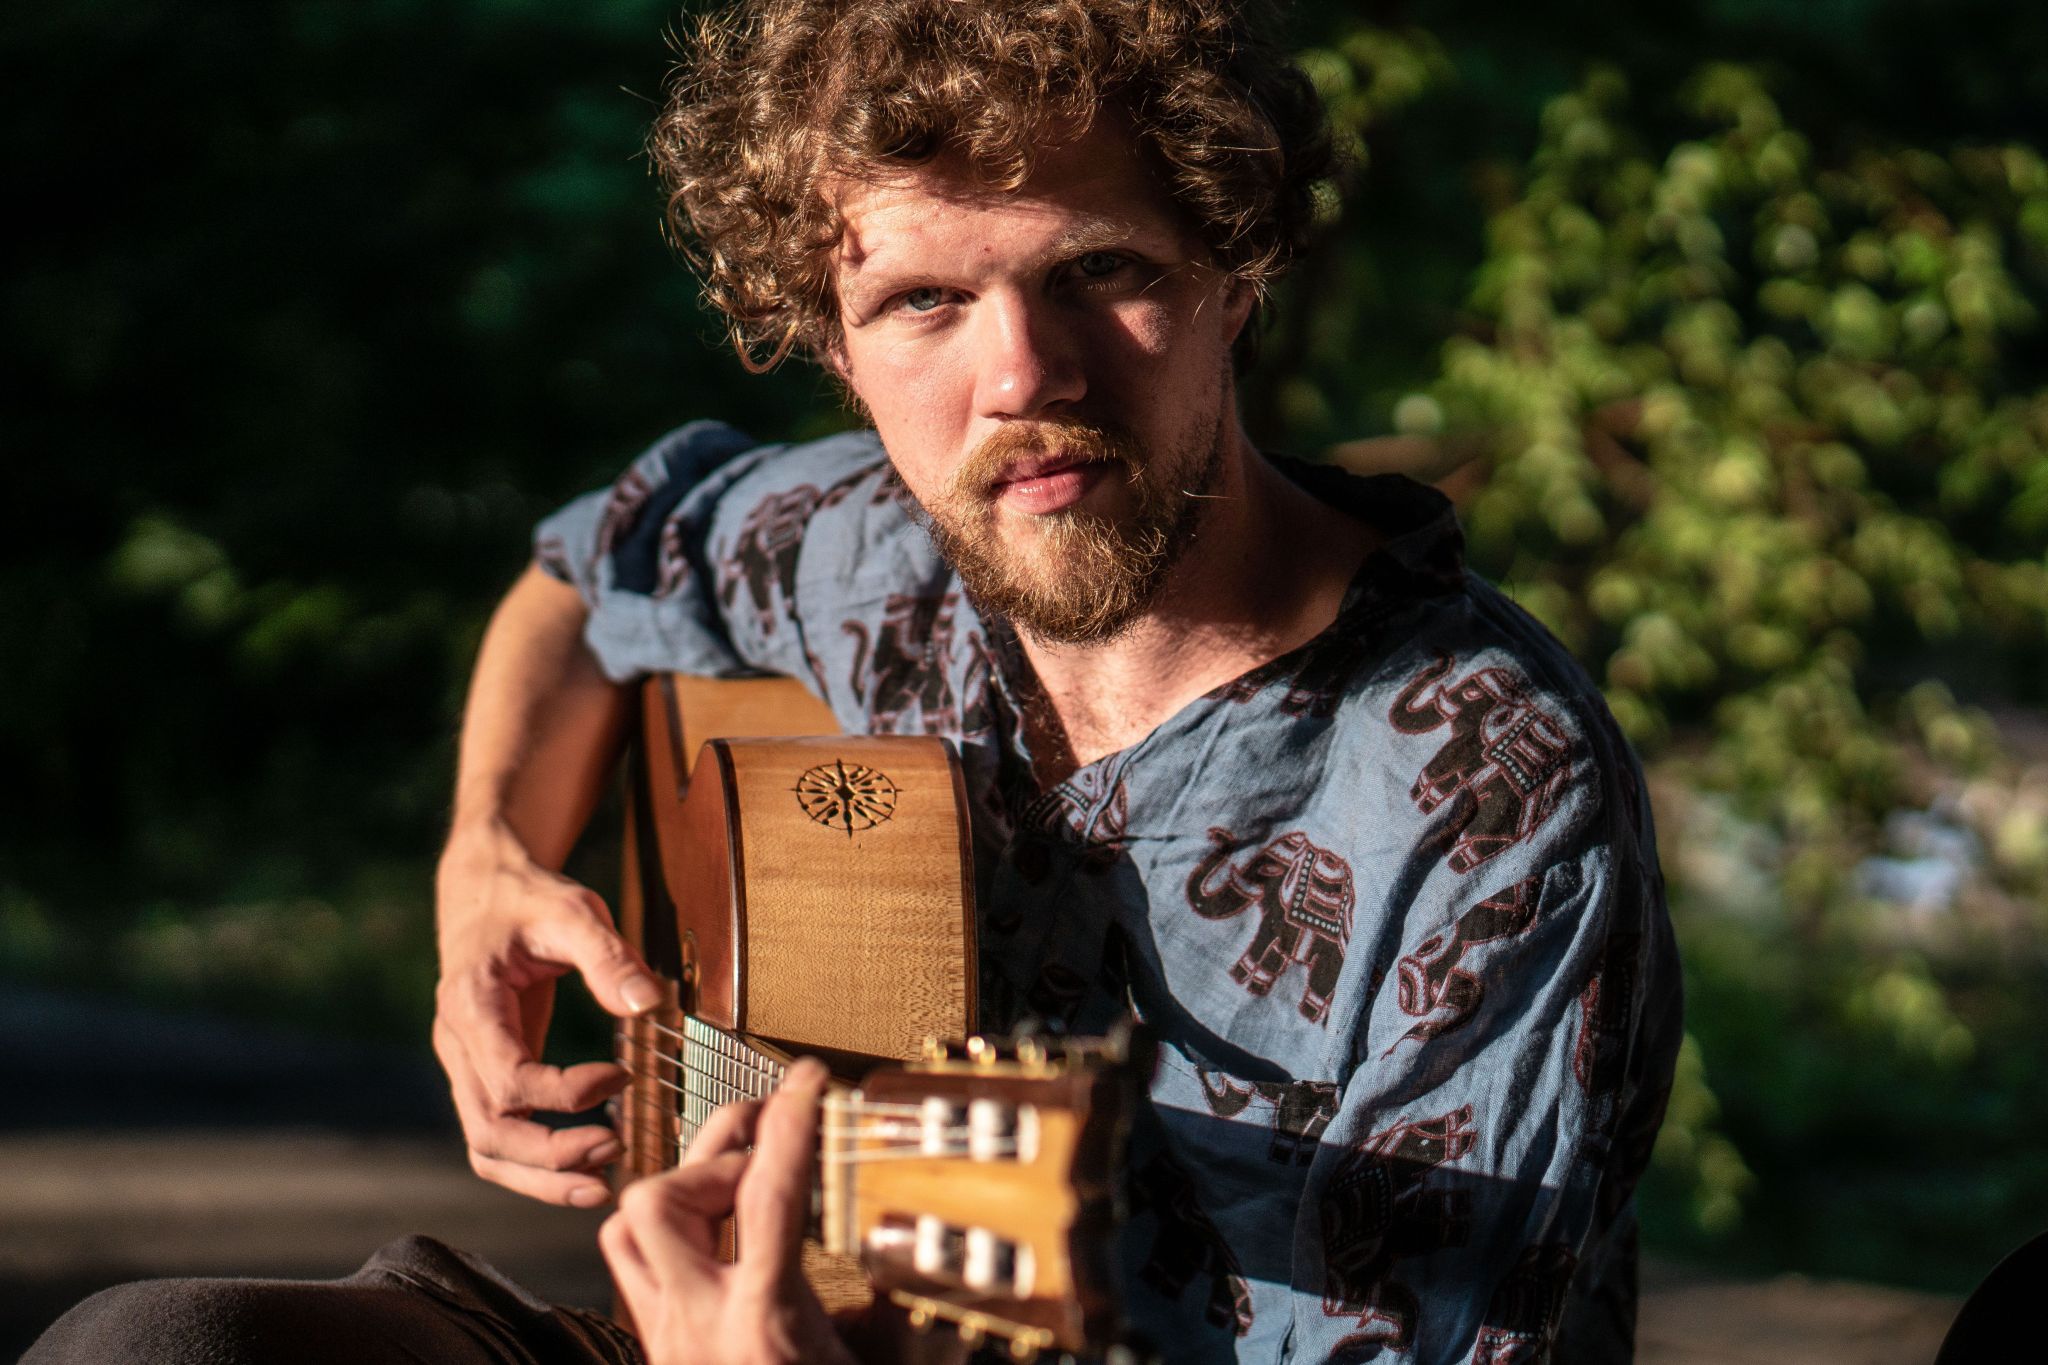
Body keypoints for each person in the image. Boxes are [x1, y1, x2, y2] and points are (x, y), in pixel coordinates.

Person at [26, 0, 1679, 1362]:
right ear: (829, 337)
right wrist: (486, 856)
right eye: (924, 301)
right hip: (790, 1318)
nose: (1022, 376)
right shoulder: (873, 546)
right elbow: (590, 569)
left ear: (1234, 268)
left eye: (1099, 269)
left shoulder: (1487, 796)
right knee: (155, 1346)